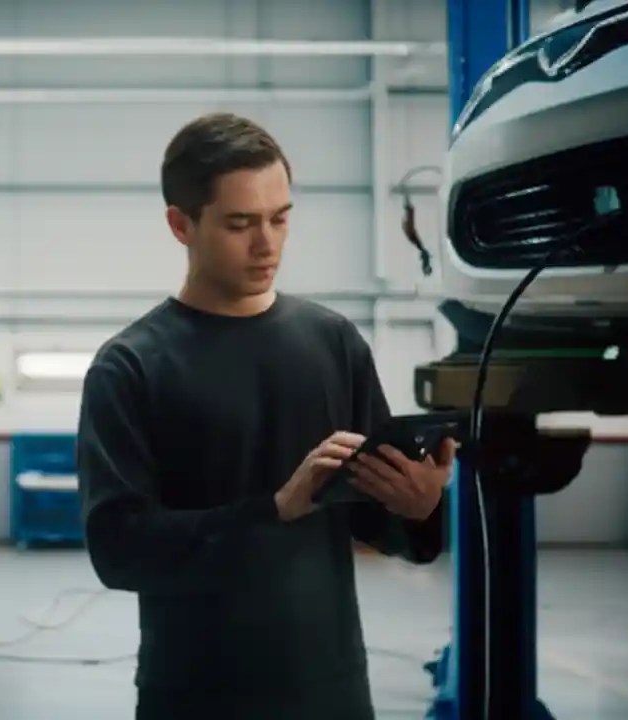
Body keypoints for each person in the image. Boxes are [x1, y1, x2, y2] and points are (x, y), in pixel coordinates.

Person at [76, 112, 456, 719]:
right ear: (181, 224)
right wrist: (273, 510)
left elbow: (374, 523)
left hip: (331, 691)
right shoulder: (130, 368)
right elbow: (119, 550)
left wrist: (419, 507)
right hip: (196, 696)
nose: (267, 244)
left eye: (280, 219)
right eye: (239, 224)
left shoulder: (335, 344)